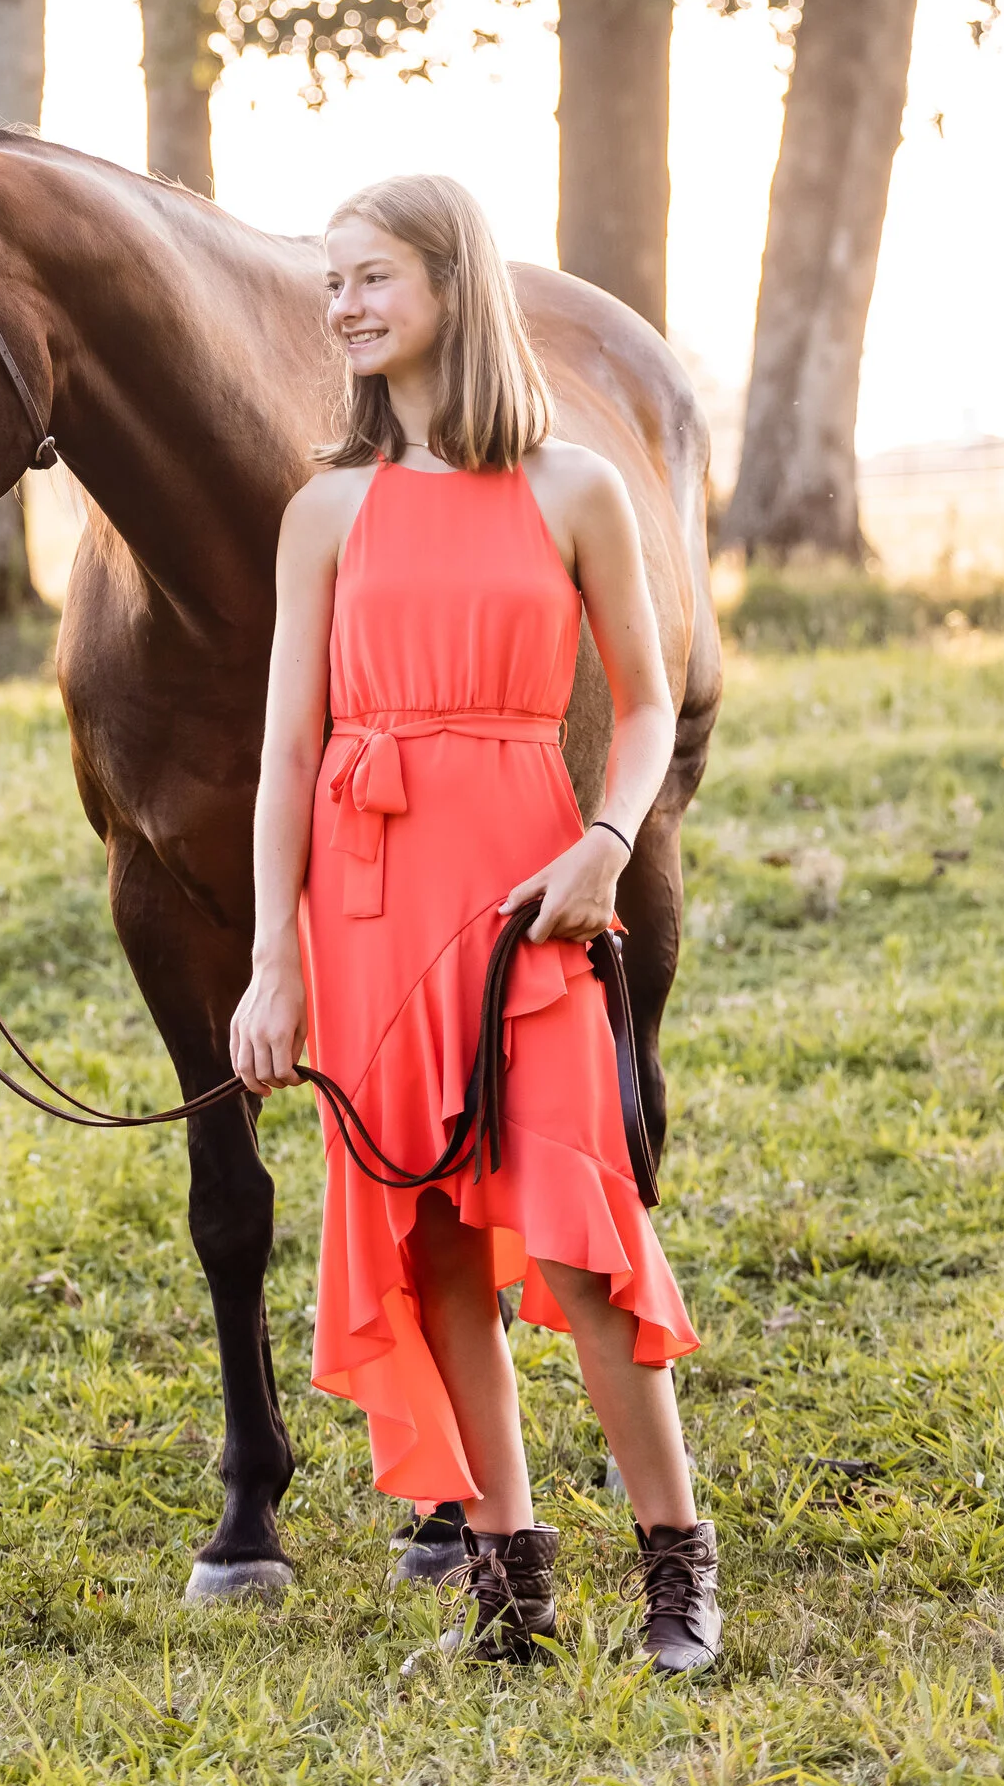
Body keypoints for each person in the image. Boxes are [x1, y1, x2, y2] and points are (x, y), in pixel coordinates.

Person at [228, 173, 719, 1675]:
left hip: (527, 887)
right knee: (432, 1242)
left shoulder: (574, 488)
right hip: (368, 905)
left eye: (372, 276)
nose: (347, 307)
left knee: (578, 1240)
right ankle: (509, 1575)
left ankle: (676, 1568)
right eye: (334, 284)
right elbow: (287, 754)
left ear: (454, 282)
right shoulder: (325, 508)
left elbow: (644, 708)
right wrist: (273, 962)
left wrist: (605, 845)